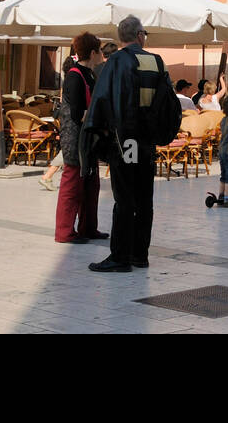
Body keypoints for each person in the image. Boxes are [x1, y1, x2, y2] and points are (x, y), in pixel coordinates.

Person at [82, 16, 180, 273]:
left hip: (126, 140)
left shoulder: (116, 61)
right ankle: (140, 254)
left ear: (120, 37)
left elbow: (102, 101)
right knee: (144, 198)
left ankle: (120, 257)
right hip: (147, 142)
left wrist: (96, 140)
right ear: (139, 35)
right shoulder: (156, 61)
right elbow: (167, 101)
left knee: (124, 198)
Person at [53, 34, 107, 243]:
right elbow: (77, 113)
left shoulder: (89, 74)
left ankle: (88, 228)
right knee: (72, 184)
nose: (102, 55)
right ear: (93, 53)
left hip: (88, 138)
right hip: (75, 139)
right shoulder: (75, 76)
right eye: (100, 51)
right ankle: (65, 232)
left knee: (91, 184)